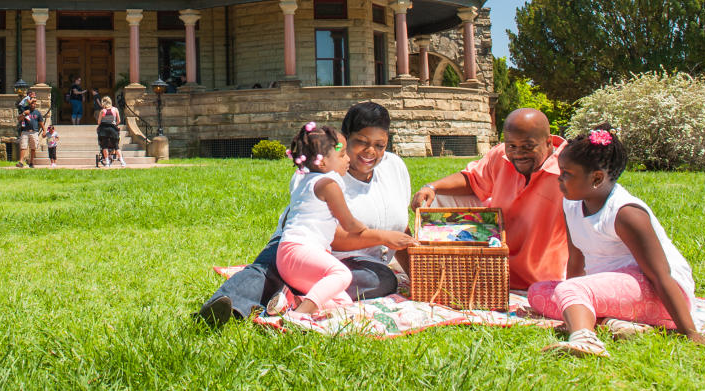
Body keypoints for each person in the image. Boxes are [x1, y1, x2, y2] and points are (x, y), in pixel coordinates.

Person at [198, 102, 418, 324]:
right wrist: (383, 237)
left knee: (382, 279)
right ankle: (224, 308)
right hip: (304, 246)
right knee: (269, 270)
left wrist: (418, 277)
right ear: (344, 140)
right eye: (362, 142)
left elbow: (400, 228)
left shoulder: (394, 168)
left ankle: (290, 297)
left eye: (380, 145)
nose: (371, 152)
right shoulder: (319, 171)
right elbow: (336, 236)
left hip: (354, 264)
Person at [528, 126, 705, 357]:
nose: (560, 178)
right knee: (539, 291)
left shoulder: (626, 214)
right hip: (613, 294)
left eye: (567, 173)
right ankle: (616, 322)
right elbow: (576, 258)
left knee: (569, 290)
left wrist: (690, 332)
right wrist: (574, 295)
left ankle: (585, 338)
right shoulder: (571, 203)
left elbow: (660, 275)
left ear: (596, 178)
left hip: (657, 293)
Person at [410, 107, 567, 290]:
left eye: (527, 146)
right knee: (438, 198)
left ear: (548, 143)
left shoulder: (568, 168)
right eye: (512, 146)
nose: (518, 153)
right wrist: (431, 187)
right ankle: (447, 269)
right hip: (496, 252)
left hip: (544, 274)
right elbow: (473, 178)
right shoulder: (500, 154)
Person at [273, 122, 372, 316]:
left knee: (342, 302)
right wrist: (365, 230)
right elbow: (349, 224)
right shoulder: (328, 184)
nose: (347, 159)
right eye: (342, 154)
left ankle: (289, 302)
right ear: (323, 163)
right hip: (298, 251)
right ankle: (298, 315)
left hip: (291, 258)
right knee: (342, 274)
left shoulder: (304, 179)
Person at [96, 95, 123, 167]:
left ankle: (107, 161)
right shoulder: (115, 109)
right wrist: (114, 125)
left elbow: (99, 122)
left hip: (104, 130)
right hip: (113, 129)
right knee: (116, 146)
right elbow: (119, 120)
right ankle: (122, 161)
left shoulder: (102, 111)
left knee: (104, 146)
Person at [16, 99, 43, 168]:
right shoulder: (26, 111)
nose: (33, 105)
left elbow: (41, 123)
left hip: (34, 132)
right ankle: (21, 162)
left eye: (34, 104)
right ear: (29, 105)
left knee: (33, 147)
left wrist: (44, 130)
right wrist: (24, 114)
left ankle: (31, 162)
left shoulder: (37, 113)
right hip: (25, 131)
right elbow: (19, 119)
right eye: (32, 104)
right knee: (23, 146)